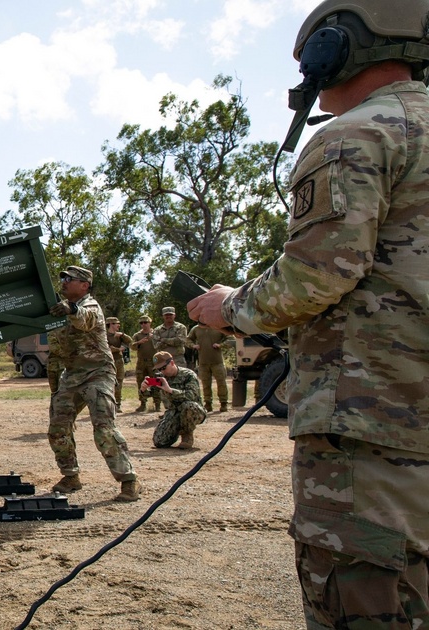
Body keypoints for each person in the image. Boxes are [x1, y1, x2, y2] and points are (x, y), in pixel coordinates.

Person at [187, 1, 429, 625]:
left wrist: (230, 307)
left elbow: (315, 276)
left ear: (335, 49)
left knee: (365, 600)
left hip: (374, 431)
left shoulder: (358, 135)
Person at [46, 265, 139, 502]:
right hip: (73, 375)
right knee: (58, 427)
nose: (64, 282)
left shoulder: (89, 305)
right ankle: (71, 476)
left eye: (70, 279)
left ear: (84, 285)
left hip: (98, 373)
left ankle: (129, 481)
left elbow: (85, 319)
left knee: (104, 428)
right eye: (63, 278)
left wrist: (71, 308)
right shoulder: (60, 309)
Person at [142, 351, 206, 449]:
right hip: (173, 413)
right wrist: (143, 389)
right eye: (159, 369)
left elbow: (191, 395)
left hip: (194, 411)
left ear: (172, 363)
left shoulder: (188, 375)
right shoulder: (161, 377)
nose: (162, 371)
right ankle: (176, 430)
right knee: (159, 442)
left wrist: (170, 390)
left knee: (188, 406)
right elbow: (151, 394)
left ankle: (187, 435)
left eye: (163, 368)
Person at [187, 323, 229, 413]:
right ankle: (208, 403)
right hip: (203, 362)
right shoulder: (196, 329)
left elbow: (230, 339)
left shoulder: (218, 326)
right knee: (205, 384)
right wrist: (193, 345)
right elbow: (188, 339)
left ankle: (223, 403)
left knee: (221, 383)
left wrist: (221, 345)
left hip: (217, 362)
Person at [132, 315, 161, 413]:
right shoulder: (137, 335)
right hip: (141, 361)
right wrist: (139, 342)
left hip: (153, 361)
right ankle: (143, 404)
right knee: (141, 382)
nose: (143, 325)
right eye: (141, 323)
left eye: (145, 322)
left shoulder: (156, 334)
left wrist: (154, 338)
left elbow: (161, 344)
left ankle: (157, 404)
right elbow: (132, 347)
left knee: (155, 382)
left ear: (150, 323)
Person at [105, 317, 134, 411]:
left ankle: (117, 404)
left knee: (119, 382)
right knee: (108, 383)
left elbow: (130, 342)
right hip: (108, 362)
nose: (119, 325)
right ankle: (108, 404)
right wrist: (119, 349)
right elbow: (107, 348)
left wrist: (122, 334)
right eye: (117, 324)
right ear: (111, 324)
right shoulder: (104, 335)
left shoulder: (120, 335)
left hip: (119, 361)